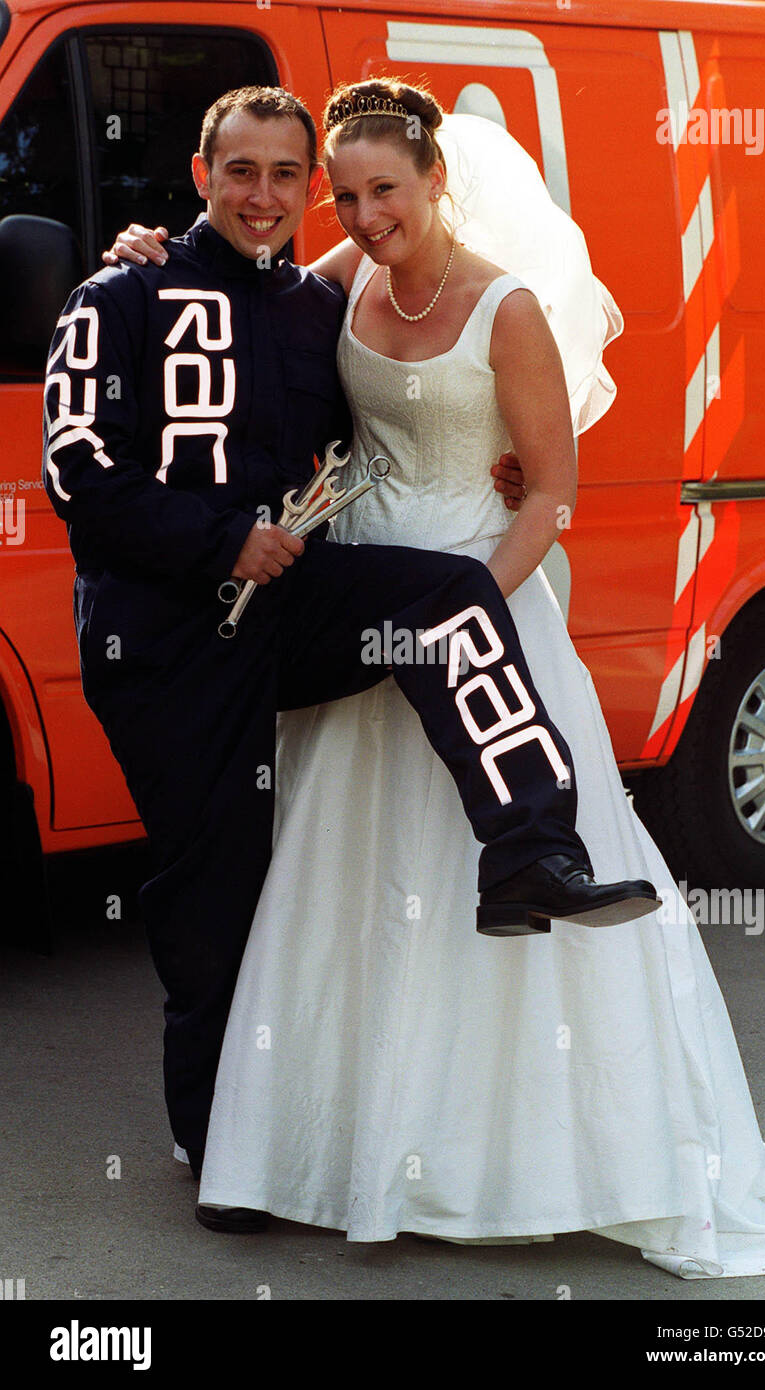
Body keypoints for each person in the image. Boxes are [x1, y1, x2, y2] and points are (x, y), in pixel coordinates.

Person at [113, 76, 765, 1275]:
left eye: (380, 189)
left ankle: (515, 1153)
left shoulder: (505, 312)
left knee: (487, 866)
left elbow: (549, 488)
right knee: (344, 881)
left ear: (436, 179)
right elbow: (236, 300)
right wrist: (142, 254)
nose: (359, 212)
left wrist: (473, 612)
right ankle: (330, 1148)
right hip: (359, 595)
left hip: (475, 594)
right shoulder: (338, 282)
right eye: (342, 194)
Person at [43, 85, 659, 1218]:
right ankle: (219, 1153)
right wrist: (226, 537)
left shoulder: (306, 304)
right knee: (214, 890)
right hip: (168, 646)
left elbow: (414, 368)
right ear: (200, 174)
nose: (267, 195)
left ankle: (529, 846)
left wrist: (512, 467)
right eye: (244, 172)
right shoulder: (116, 294)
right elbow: (77, 466)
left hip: (289, 613)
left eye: (288, 175)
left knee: (445, 591)